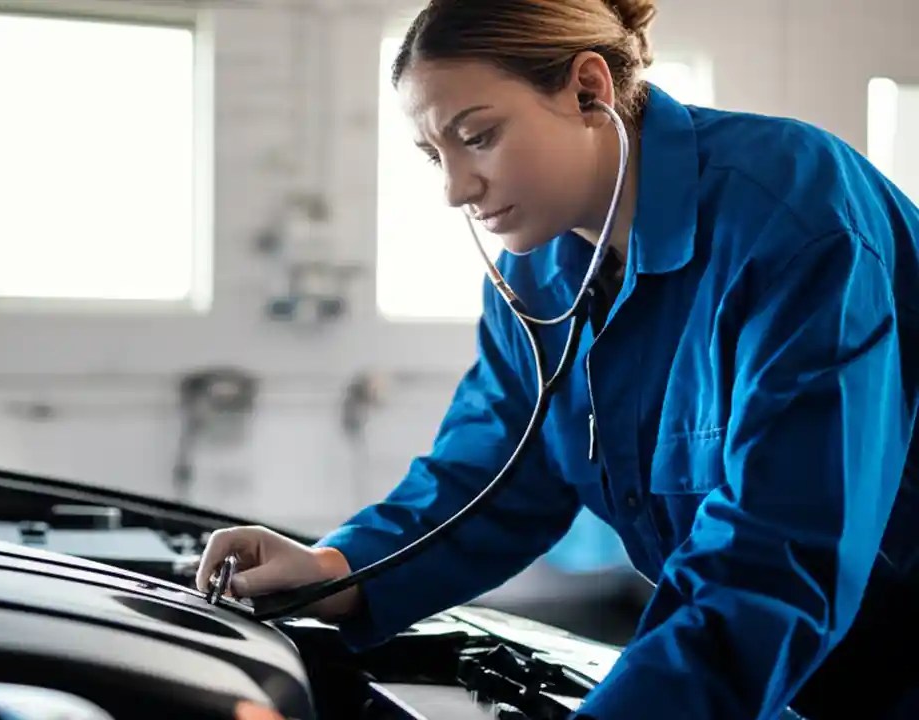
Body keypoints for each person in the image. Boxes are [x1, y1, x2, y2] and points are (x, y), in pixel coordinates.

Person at [196, 0, 919, 718]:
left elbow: (778, 551)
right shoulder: (539, 269)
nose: (455, 189)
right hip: (776, 678)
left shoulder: (797, 218)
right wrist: (334, 570)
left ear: (588, 90)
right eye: (434, 156)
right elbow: (495, 477)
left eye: (476, 137)